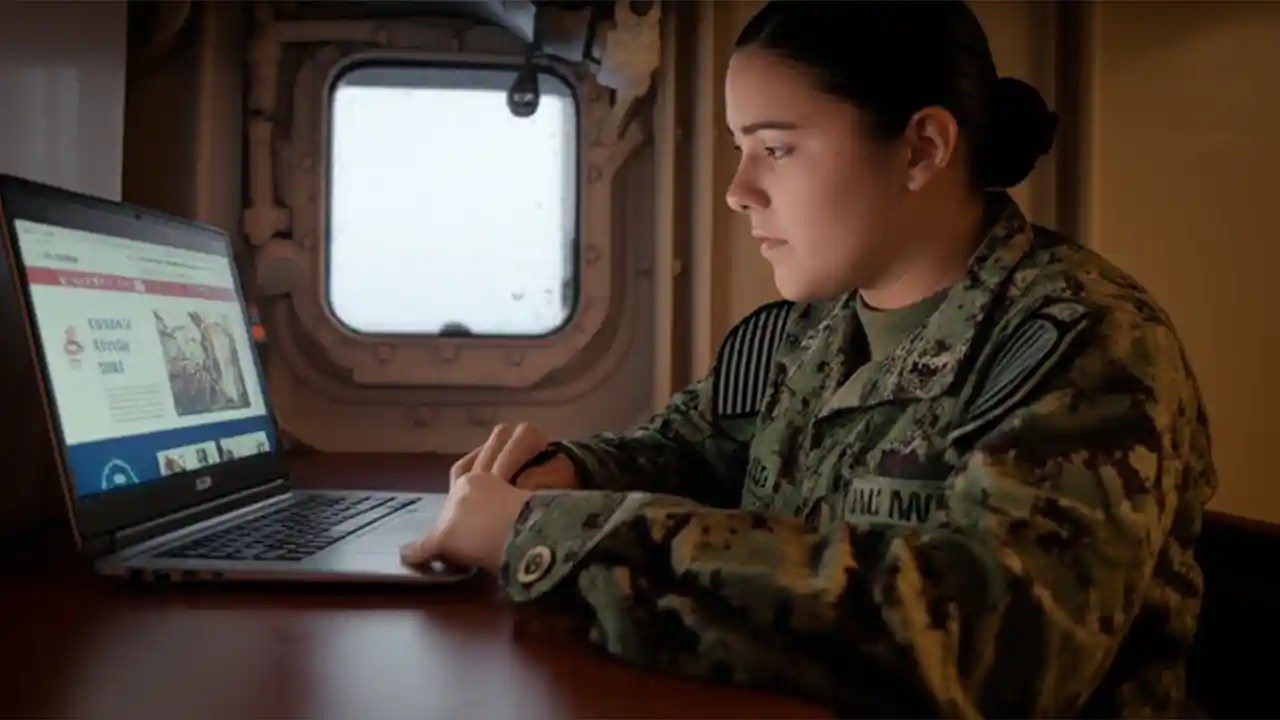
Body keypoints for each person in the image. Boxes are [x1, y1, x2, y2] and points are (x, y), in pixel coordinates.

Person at [400, 1, 1218, 716]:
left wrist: (552, 535)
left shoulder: (1084, 345)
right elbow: (694, 453)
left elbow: (997, 649)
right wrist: (563, 475)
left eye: (777, 149)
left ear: (922, 148)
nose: (737, 190)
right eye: (738, 148)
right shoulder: (803, 330)